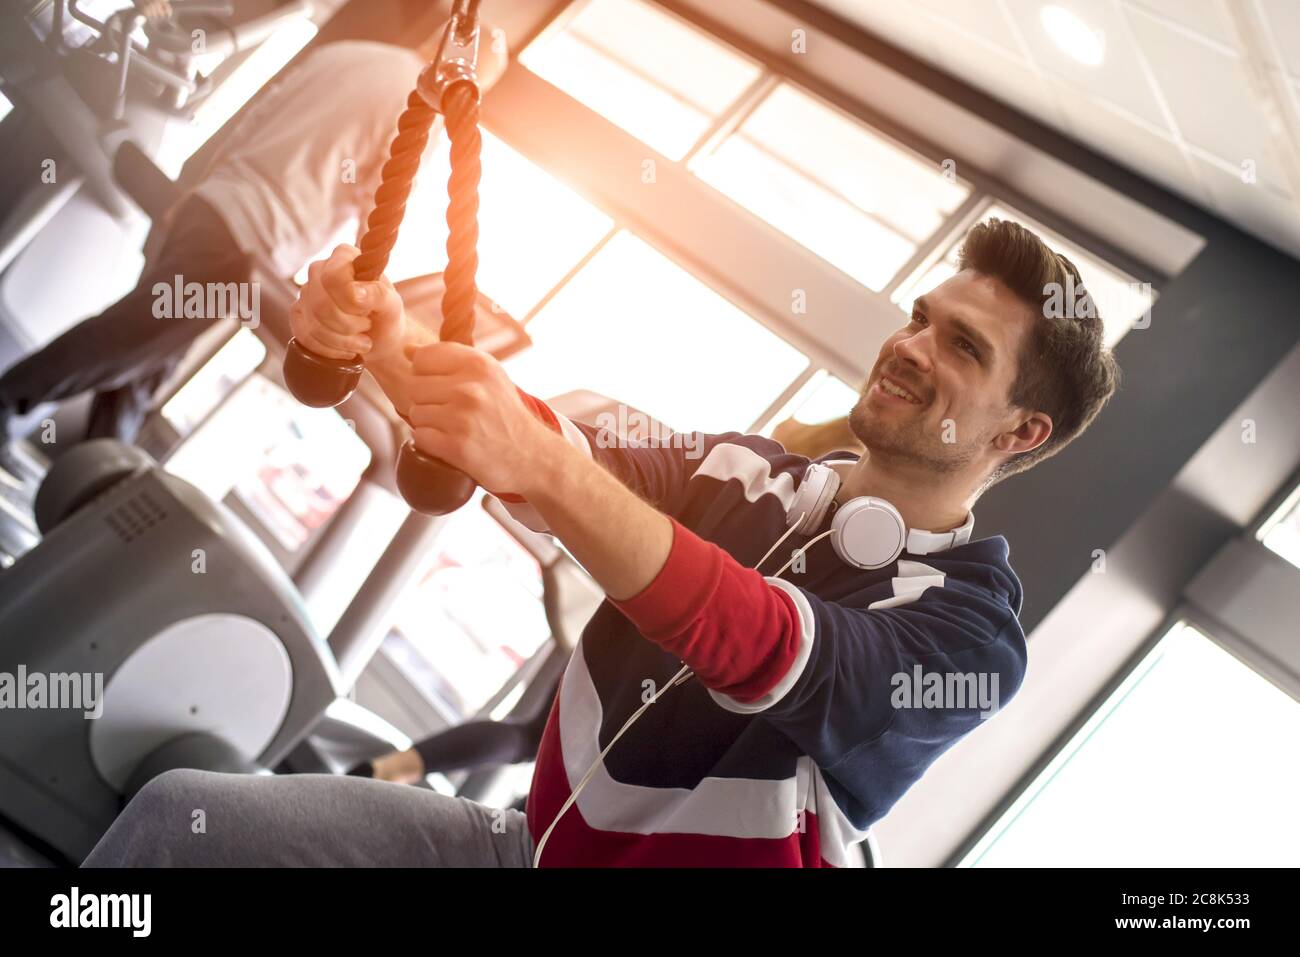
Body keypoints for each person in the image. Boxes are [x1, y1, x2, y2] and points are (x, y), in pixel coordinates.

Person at [84, 217, 1120, 868]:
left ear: (1018, 432)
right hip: (521, 846)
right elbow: (585, 458)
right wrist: (387, 351)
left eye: (961, 347)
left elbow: (770, 651)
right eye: (920, 317)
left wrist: (549, 469)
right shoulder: (750, 471)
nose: (909, 348)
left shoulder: (971, 641)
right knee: (182, 826)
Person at [0, 24, 508, 445]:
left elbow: (253, 120)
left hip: (210, 208)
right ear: (460, 72)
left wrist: (196, 198)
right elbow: (379, 213)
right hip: (246, 244)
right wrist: (356, 303)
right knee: (128, 342)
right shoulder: (419, 112)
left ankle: (93, 489)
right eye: (472, 89)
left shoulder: (348, 52)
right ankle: (9, 400)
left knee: (145, 364)